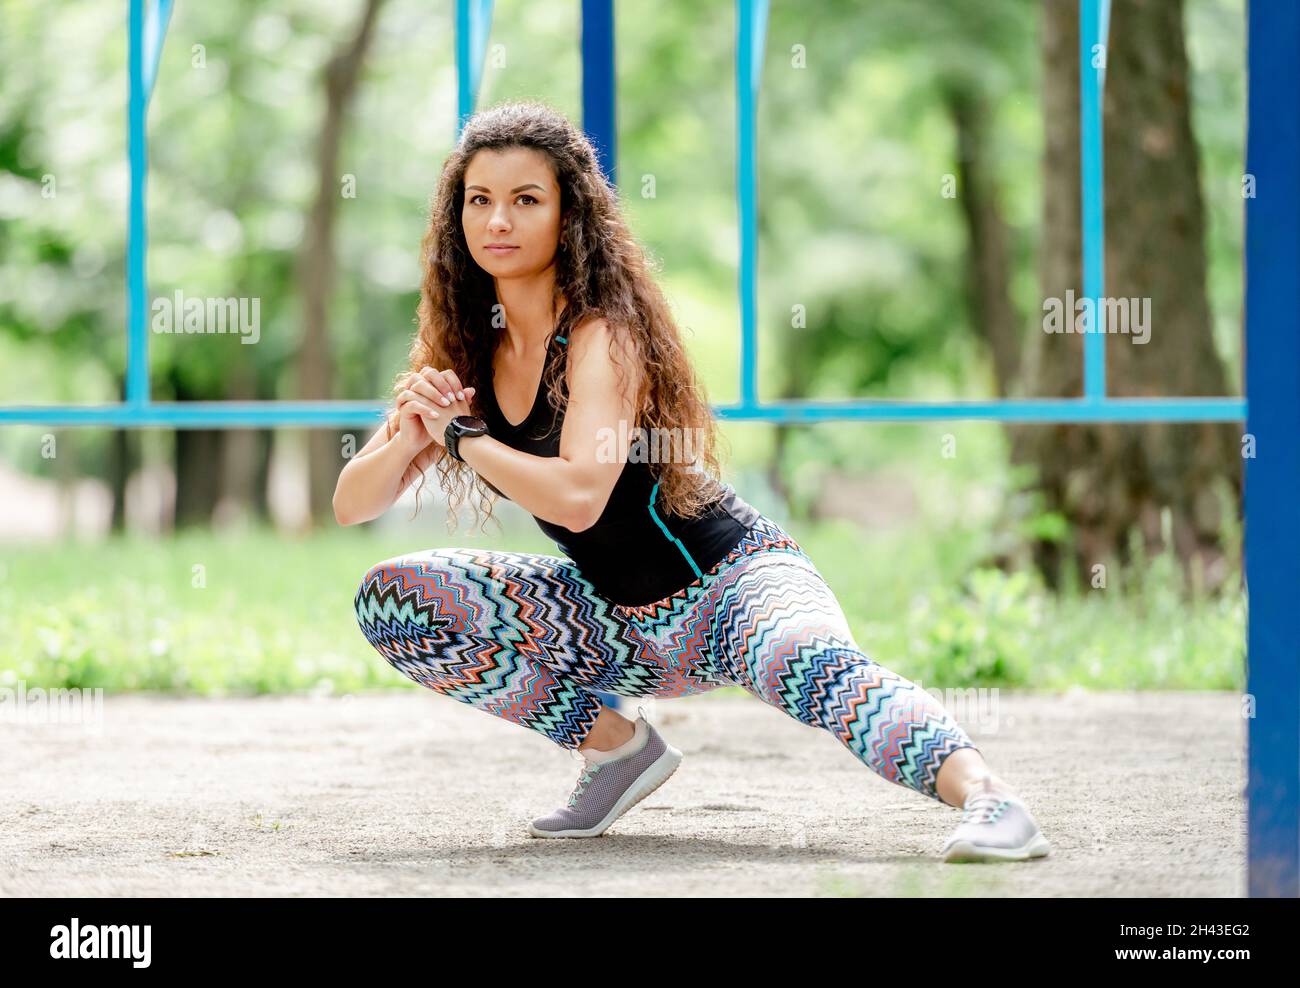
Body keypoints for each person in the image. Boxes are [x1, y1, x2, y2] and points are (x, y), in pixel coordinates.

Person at [334, 100, 1050, 862]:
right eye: (479, 200)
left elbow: (579, 497)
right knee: (394, 601)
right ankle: (617, 750)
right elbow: (352, 503)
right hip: (617, 620)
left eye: (526, 199)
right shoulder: (465, 350)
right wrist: (412, 432)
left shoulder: (602, 332)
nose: (498, 221)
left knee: (812, 669)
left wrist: (462, 438)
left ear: (569, 214)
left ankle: (991, 800)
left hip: (734, 586)